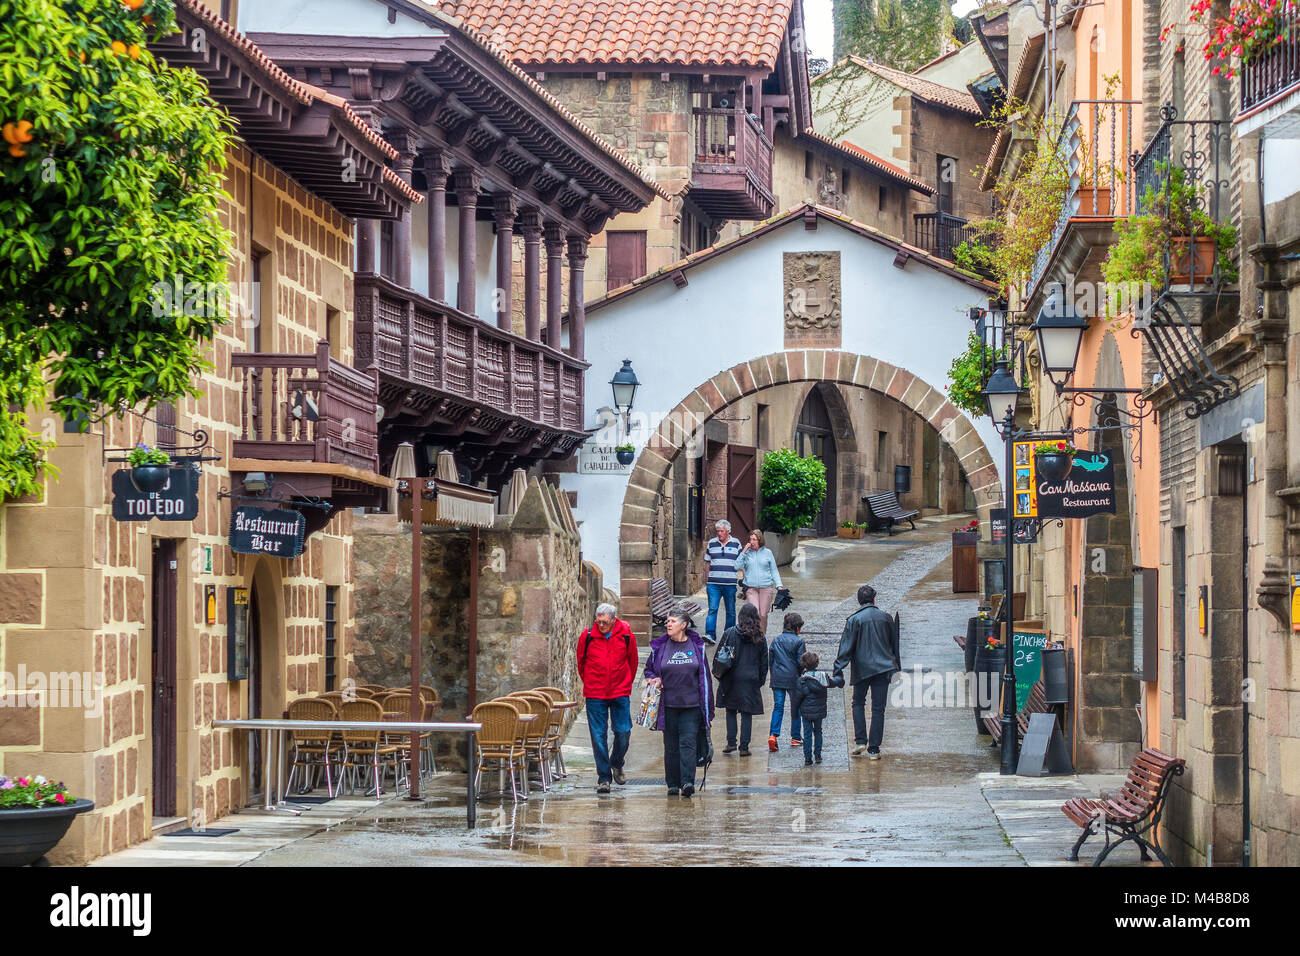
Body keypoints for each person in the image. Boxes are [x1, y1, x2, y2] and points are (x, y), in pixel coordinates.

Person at [644, 606, 714, 797]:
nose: (668, 624)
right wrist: (653, 678)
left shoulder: (696, 646)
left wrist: (708, 708)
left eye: (672, 621)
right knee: (671, 746)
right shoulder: (660, 646)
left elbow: (705, 678)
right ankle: (673, 784)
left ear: (683, 625)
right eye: (667, 621)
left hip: (691, 706)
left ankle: (687, 782)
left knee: (688, 744)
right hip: (668, 706)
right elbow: (649, 669)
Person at [577, 602, 639, 793]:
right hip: (595, 693)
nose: (601, 625)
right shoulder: (587, 636)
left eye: (605, 622)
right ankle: (604, 777)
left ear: (613, 620)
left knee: (623, 732)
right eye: (599, 621)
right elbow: (581, 663)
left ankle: (617, 762)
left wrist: (626, 683)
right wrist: (590, 682)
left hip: (620, 691)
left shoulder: (626, 634)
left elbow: (633, 661)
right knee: (598, 736)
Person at [833, 584, 901, 759]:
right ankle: (874, 749)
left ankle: (861, 740)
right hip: (884, 667)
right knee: (878, 708)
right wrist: (896, 667)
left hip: (862, 668)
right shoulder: (886, 618)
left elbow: (846, 647)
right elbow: (895, 645)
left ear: (859, 601)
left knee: (858, 703)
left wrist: (838, 669)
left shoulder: (854, 620)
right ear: (873, 599)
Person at [716, 602, 768, 755]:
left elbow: (719, 655)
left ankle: (731, 742)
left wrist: (719, 675)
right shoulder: (759, 637)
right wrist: (761, 679)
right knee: (747, 713)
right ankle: (744, 747)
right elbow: (764, 661)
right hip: (750, 678)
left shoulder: (730, 633)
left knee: (730, 710)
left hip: (731, 677)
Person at [791, 650, 844, 765]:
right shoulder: (823, 677)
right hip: (819, 711)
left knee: (807, 734)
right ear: (816, 663)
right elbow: (834, 682)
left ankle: (808, 758)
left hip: (806, 713)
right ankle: (818, 755)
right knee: (818, 731)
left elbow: (796, 699)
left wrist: (794, 713)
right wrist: (840, 678)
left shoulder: (801, 680)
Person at [767, 612, 807, 752]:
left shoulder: (776, 640)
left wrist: (773, 673)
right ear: (797, 627)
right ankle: (795, 737)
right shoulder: (799, 641)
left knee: (778, 707)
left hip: (777, 678)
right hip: (793, 678)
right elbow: (800, 662)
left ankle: (773, 735)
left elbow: (770, 660)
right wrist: (801, 673)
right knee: (795, 708)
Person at [703, 519, 742, 645]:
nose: (719, 533)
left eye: (722, 531)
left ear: (728, 531)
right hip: (713, 584)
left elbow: (742, 563)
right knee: (712, 609)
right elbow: (707, 562)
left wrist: (745, 579)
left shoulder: (736, 544)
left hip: (730, 584)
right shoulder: (711, 543)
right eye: (718, 531)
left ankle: (729, 636)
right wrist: (707, 581)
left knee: (730, 610)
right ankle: (710, 635)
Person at [736, 529, 782, 634]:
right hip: (751, 588)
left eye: (754, 540)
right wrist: (743, 551)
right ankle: (753, 635)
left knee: (763, 614)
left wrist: (779, 585)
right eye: (750, 539)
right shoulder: (746, 553)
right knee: (754, 613)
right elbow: (737, 566)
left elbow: (774, 570)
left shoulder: (768, 553)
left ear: (759, 541)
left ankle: (762, 636)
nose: (751, 542)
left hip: (766, 587)